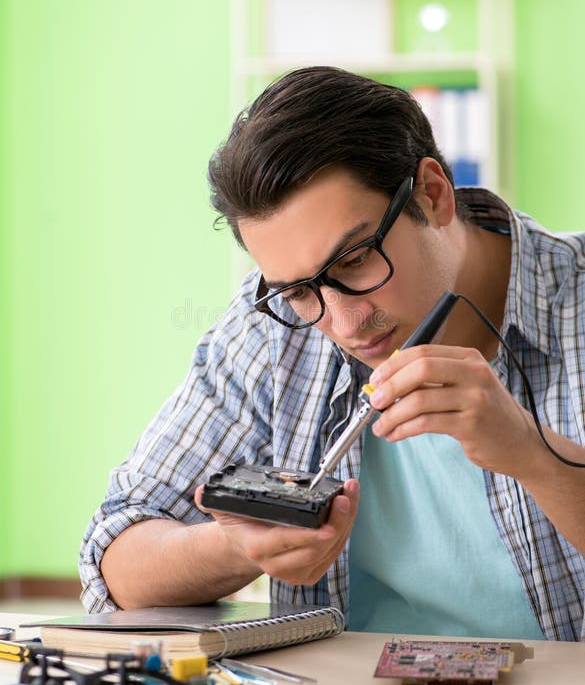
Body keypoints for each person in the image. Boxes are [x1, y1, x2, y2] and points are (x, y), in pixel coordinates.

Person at [80, 66, 585, 641]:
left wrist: (533, 455)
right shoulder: (269, 323)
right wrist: (239, 546)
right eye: (298, 291)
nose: (343, 323)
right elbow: (112, 559)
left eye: (354, 261)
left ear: (433, 194)